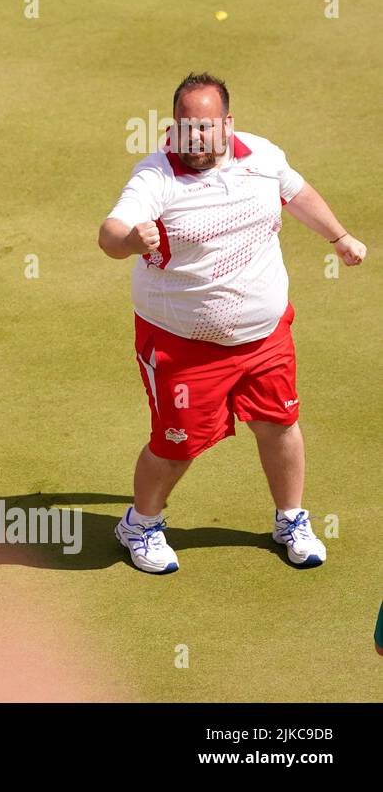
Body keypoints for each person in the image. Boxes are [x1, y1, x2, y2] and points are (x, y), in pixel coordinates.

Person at [99, 72, 367, 573]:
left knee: (280, 423)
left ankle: (290, 519)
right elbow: (111, 234)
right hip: (182, 346)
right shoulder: (156, 176)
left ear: (227, 124)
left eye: (204, 127)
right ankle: (139, 524)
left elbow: (299, 193)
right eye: (184, 127)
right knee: (175, 446)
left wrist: (339, 237)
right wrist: (131, 242)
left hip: (266, 336)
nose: (194, 138)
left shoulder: (263, 156)